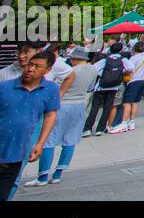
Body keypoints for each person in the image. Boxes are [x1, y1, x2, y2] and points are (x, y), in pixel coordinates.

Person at [25, 46, 93, 188]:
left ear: (75, 58)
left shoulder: (70, 71)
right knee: (70, 140)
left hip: (63, 105)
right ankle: (58, 174)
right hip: (80, 104)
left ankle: (43, 176)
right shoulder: (92, 70)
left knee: (49, 140)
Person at [0, 49, 60, 200]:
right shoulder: (4, 87)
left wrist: (40, 143)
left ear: (48, 70)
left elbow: (50, 114)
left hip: (17, 152)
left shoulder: (51, 89)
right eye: (29, 65)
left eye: (37, 66)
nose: (30, 69)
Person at [88, 42, 132, 136]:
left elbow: (94, 68)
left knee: (94, 108)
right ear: (120, 51)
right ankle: (100, 129)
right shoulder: (123, 60)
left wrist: (102, 74)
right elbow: (131, 68)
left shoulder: (106, 59)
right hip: (114, 86)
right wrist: (121, 71)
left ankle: (87, 128)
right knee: (107, 108)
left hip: (101, 87)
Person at [111, 40, 144, 133]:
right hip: (142, 80)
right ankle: (131, 121)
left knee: (127, 102)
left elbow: (129, 69)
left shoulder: (134, 58)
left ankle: (124, 122)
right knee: (135, 102)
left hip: (133, 81)